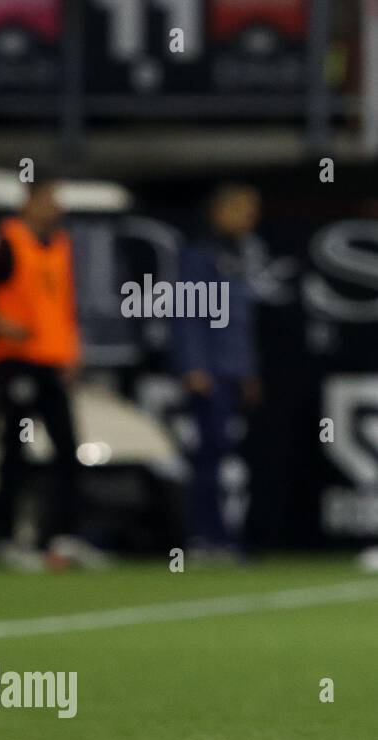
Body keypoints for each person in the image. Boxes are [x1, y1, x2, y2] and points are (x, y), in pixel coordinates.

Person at [0, 180, 103, 571]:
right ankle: (10, 539)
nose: (55, 207)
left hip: (51, 362)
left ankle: (62, 538)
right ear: (29, 201)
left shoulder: (60, 244)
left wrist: (71, 352)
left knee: (67, 449)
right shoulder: (4, 241)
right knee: (16, 449)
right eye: (48, 199)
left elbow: (63, 305)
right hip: (15, 361)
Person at [170, 182, 262, 557]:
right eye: (241, 208)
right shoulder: (199, 256)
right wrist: (194, 366)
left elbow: (240, 321)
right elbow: (187, 315)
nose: (250, 217)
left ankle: (224, 535)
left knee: (227, 458)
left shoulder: (240, 254)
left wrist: (248, 370)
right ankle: (205, 537)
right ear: (219, 212)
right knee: (209, 457)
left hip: (232, 371)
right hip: (210, 374)